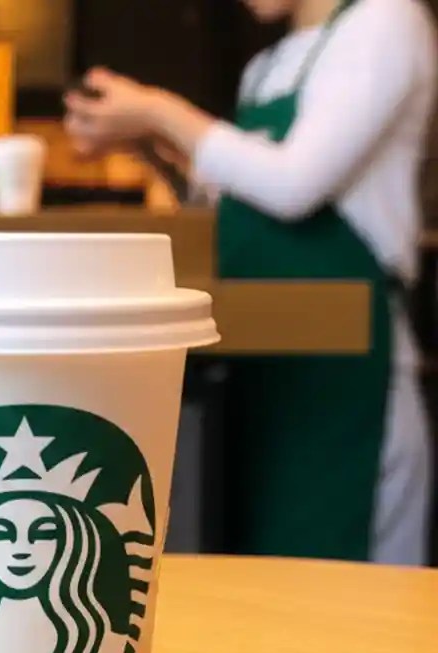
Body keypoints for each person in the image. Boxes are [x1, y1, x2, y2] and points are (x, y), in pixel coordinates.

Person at [63, 0, 437, 565]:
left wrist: (162, 112)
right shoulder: (268, 66)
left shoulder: (387, 20)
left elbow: (293, 185)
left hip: (355, 373)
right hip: (271, 373)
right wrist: (147, 140)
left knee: (350, 597)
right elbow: (237, 201)